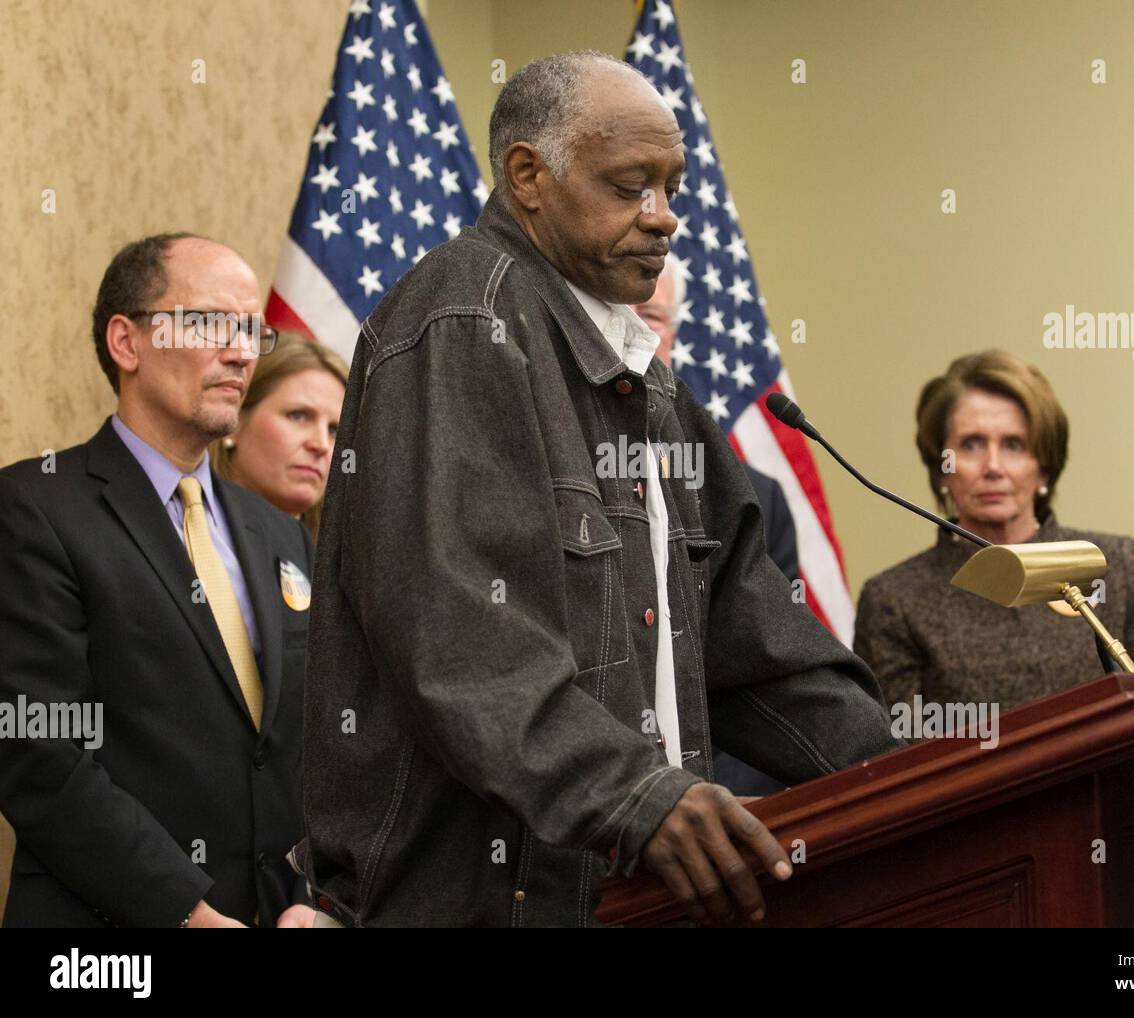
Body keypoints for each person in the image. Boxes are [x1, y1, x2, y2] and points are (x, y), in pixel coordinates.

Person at [303, 51, 898, 928]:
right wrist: (632, 796)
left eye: (671, 188)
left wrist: (910, 769)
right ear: (527, 176)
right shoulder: (464, 320)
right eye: (629, 186)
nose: (662, 218)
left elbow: (753, 644)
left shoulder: (648, 384)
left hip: (624, 898)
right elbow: (462, 634)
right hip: (483, 902)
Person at [0, 234, 316, 927]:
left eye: (251, 332)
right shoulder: (34, 510)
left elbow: (308, 742)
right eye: (212, 324)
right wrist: (188, 914)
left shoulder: (280, 533)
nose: (242, 353)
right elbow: (38, 753)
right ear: (127, 342)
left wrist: (309, 896)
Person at [853, 349, 1134, 715]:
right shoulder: (893, 601)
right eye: (971, 445)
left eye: (1013, 445)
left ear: (1044, 467)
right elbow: (897, 756)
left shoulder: (1119, 566)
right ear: (941, 470)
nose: (993, 467)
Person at [634, 252, 793, 797]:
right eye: (615, 311)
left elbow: (771, 668)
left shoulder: (753, 497)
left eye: (650, 318)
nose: (632, 330)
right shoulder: (537, 468)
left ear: (673, 339)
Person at [211, 332, 347, 540]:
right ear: (234, 421)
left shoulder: (347, 566)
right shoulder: (183, 533)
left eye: (334, 430)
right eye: (298, 416)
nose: (321, 445)